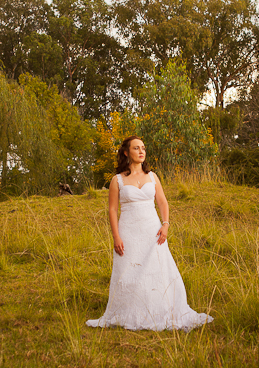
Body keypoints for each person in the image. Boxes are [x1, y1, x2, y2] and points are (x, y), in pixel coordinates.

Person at [86, 135, 213, 331]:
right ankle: (130, 311)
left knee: (157, 269)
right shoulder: (117, 180)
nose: (141, 151)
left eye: (143, 148)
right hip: (128, 231)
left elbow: (162, 202)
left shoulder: (152, 176)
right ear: (126, 152)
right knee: (129, 270)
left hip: (152, 230)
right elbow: (112, 210)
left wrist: (166, 224)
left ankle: (159, 309)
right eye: (136, 148)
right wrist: (116, 236)